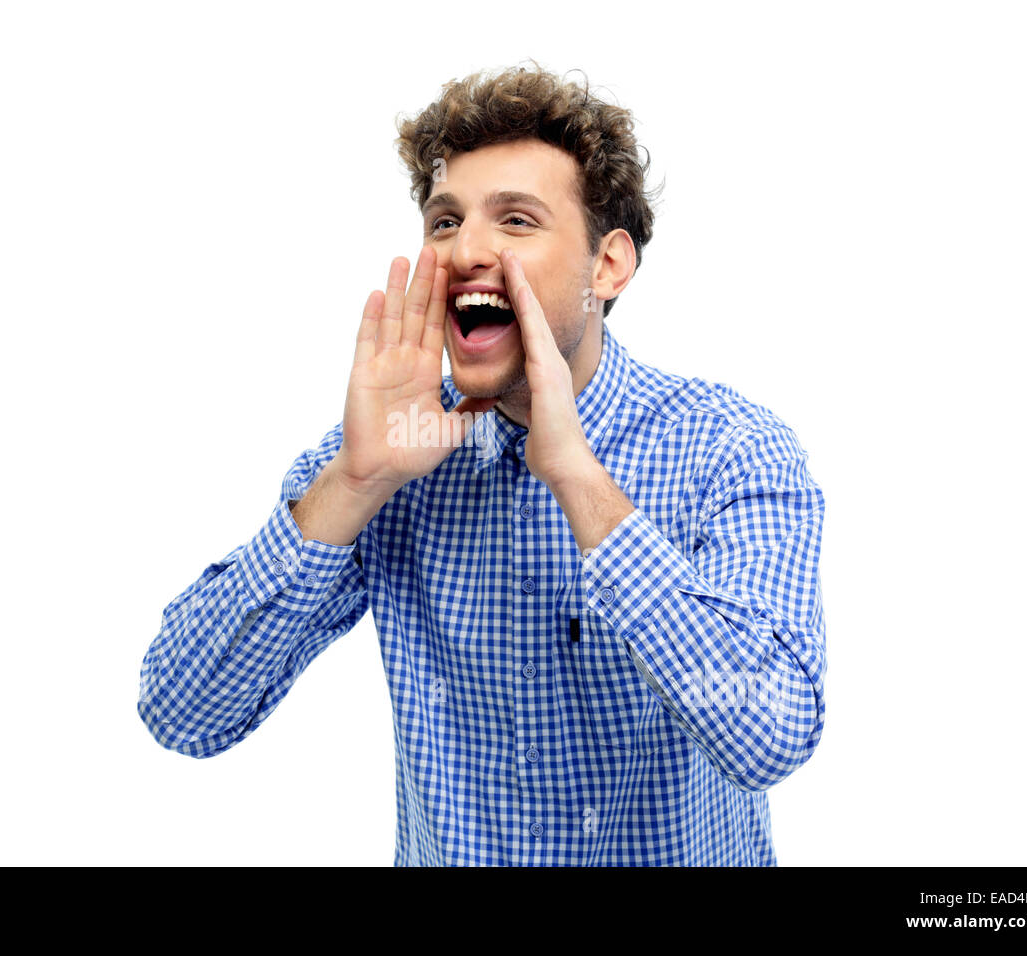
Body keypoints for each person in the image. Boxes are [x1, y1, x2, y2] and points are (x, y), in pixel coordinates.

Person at [137, 63, 827, 866]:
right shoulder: (389, 452)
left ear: (608, 267)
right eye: (443, 222)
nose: (466, 249)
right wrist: (356, 486)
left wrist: (578, 478)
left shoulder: (731, 448)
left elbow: (771, 729)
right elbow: (179, 712)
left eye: (518, 221)